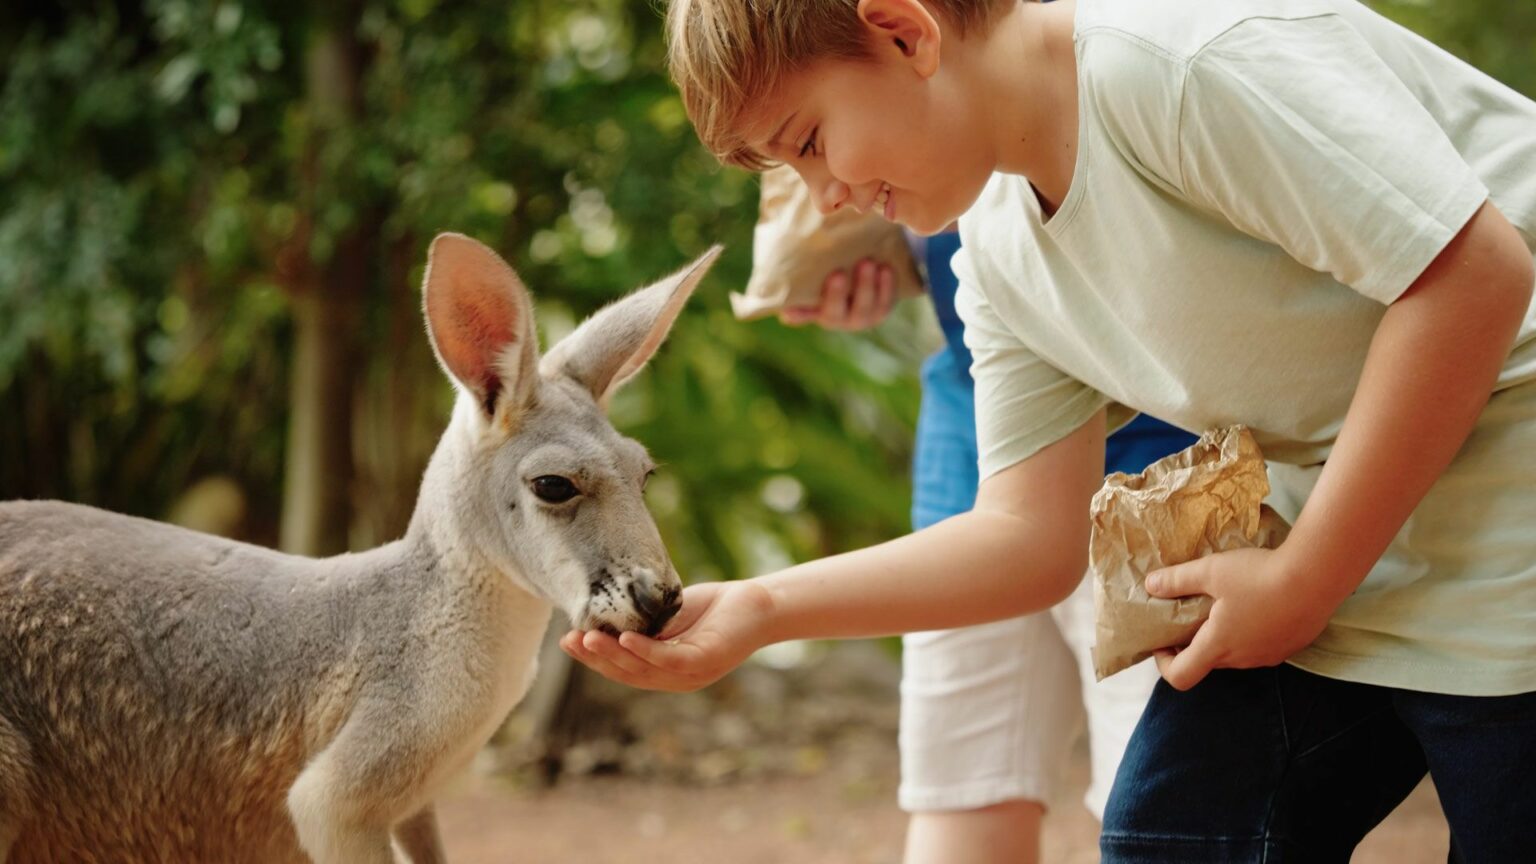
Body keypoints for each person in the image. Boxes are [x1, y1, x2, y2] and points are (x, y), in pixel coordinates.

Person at [564, 0, 1536, 858]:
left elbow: (1477, 274)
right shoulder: (993, 249)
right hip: (1368, 529)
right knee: (1174, 830)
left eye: (810, 140)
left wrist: (1308, 574)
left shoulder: (1175, 62)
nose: (824, 200)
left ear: (903, 31)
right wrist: (763, 612)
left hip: (1504, 498)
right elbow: (1027, 538)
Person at [781, 222, 1192, 862]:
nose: (826, 187)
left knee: (1165, 817)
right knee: (961, 798)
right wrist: (882, 256)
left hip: (1164, 469)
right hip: (971, 458)